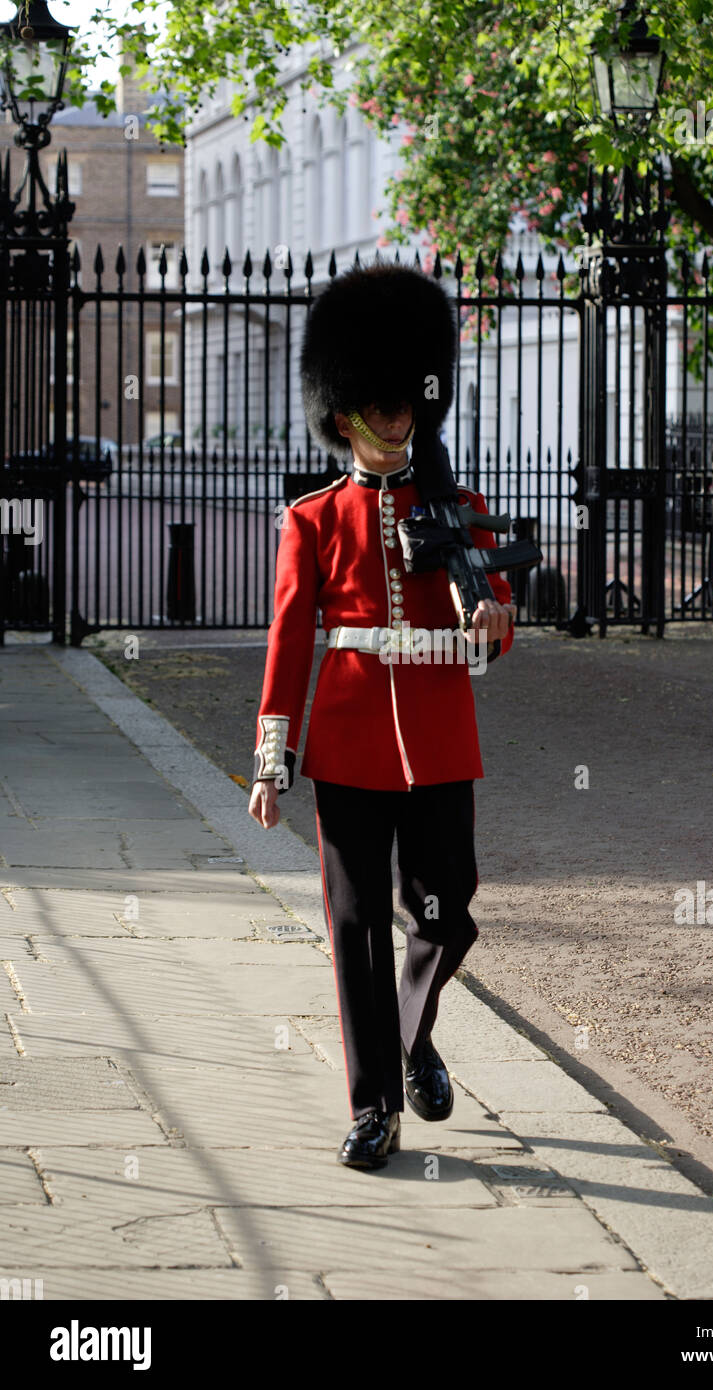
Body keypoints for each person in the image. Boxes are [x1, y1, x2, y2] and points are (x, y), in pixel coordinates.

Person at [247, 263, 515, 1169]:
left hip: (441, 738)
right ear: (344, 411)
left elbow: (496, 629)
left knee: (449, 914)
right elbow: (289, 641)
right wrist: (272, 756)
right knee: (355, 926)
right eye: (375, 401)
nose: (394, 417)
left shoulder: (460, 507)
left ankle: (411, 1031)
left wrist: (492, 620)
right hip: (352, 743)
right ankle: (373, 1109)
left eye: (404, 400)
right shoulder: (313, 520)